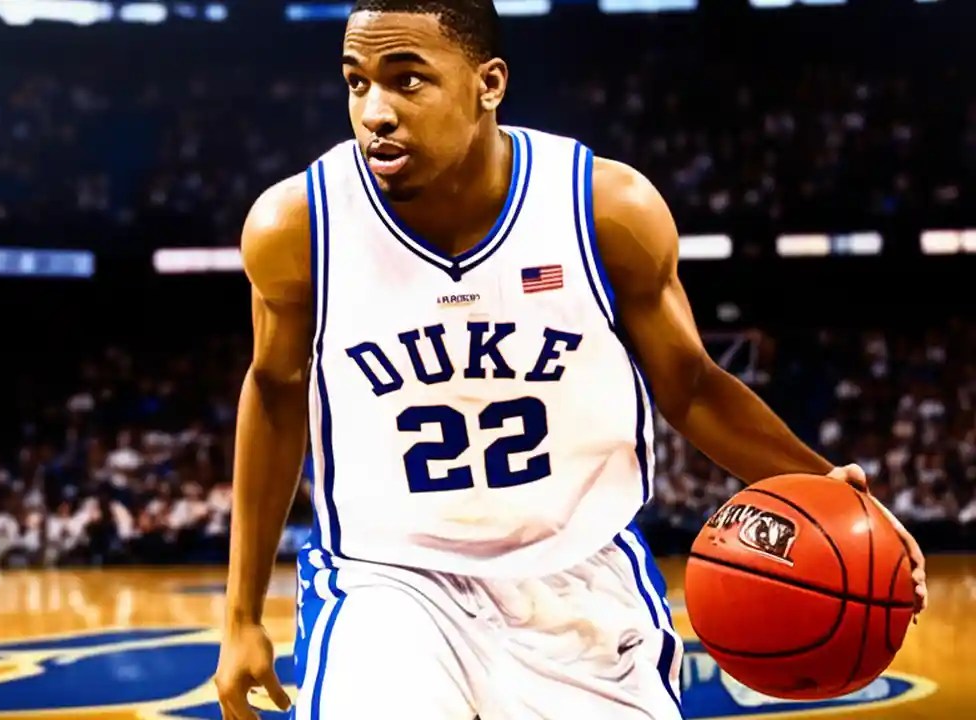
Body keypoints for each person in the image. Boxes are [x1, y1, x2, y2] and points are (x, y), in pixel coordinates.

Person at [213, 2, 928, 718]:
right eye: (356, 82)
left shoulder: (604, 208)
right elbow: (275, 393)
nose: (375, 112)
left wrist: (832, 491)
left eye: (408, 80)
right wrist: (241, 615)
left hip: (579, 579)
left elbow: (690, 387)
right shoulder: (297, 226)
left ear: (489, 84)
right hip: (389, 581)